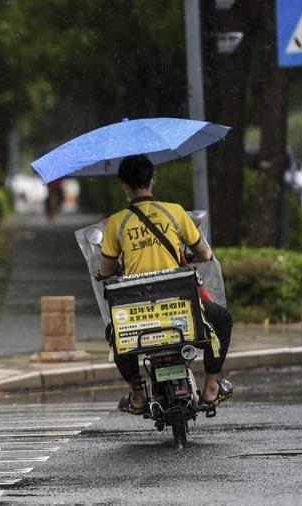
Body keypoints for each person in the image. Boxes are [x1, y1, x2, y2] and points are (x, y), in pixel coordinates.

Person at [97, 155, 233, 415]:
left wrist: (101, 273)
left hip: (138, 314)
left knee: (114, 333)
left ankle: (137, 396)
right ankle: (212, 387)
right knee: (223, 320)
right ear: (153, 179)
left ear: (124, 185)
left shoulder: (116, 222)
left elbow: (106, 269)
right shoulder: (176, 212)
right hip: (181, 307)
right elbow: (204, 254)